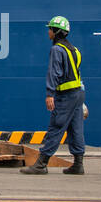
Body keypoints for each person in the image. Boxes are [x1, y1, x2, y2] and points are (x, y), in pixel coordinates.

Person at [21, 16, 86, 175]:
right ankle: (78, 164)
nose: (48, 31)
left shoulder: (56, 49)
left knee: (56, 127)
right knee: (75, 128)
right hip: (78, 94)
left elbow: (54, 73)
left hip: (66, 96)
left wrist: (49, 94)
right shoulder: (75, 50)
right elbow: (77, 74)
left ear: (56, 31)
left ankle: (41, 164)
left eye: (50, 29)